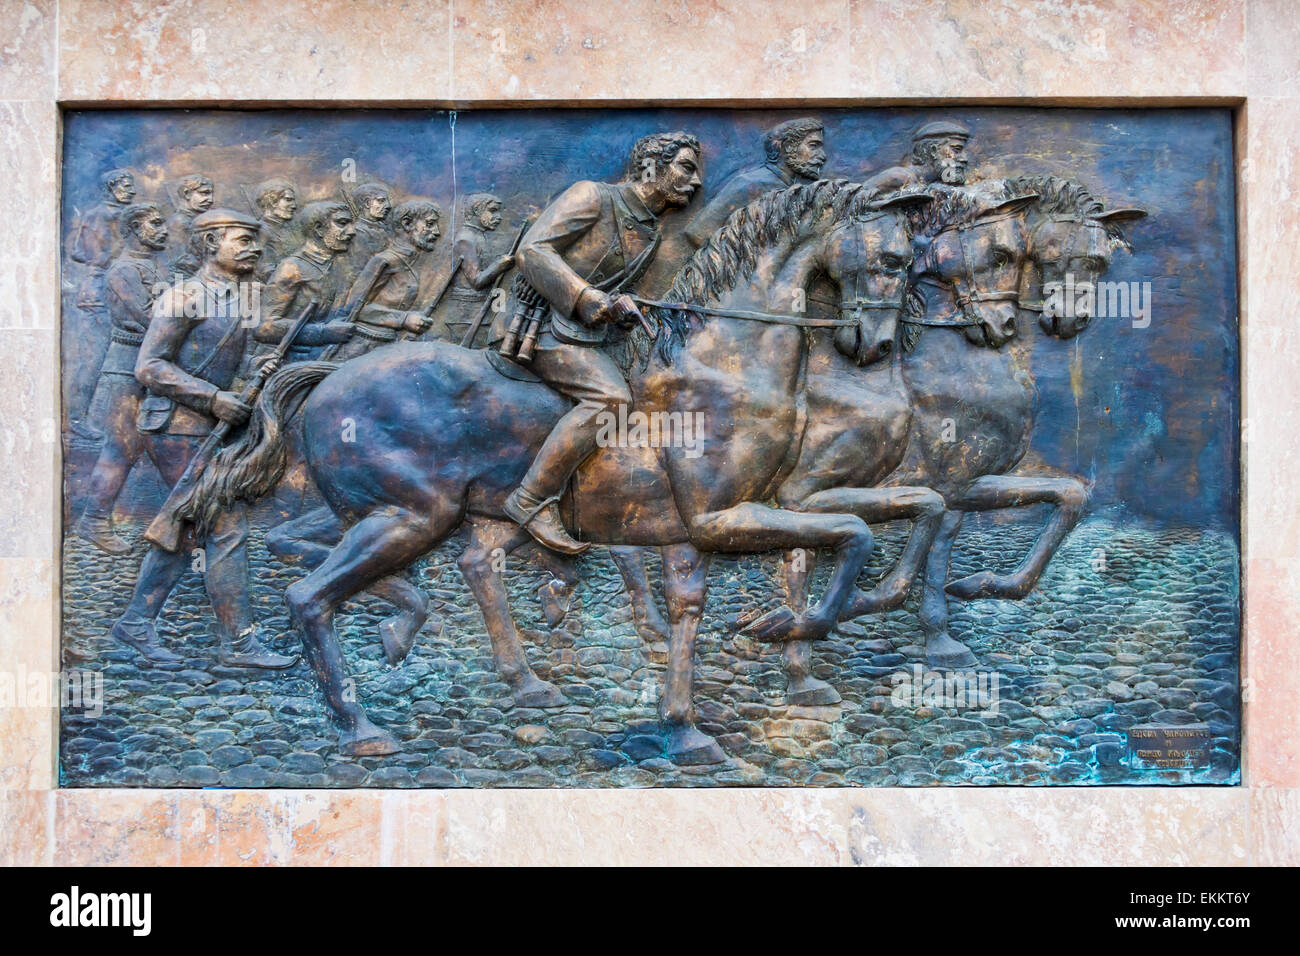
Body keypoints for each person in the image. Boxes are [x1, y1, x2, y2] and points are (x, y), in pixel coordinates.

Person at [498, 131, 703, 554]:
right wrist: (586, 297)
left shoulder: (650, 232)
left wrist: (619, 310)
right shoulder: (592, 195)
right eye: (686, 167)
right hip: (536, 327)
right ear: (652, 166)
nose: (696, 180)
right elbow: (533, 251)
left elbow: (607, 290)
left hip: (584, 334)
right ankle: (531, 499)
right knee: (611, 400)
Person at [109, 208, 297, 669]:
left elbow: (239, 356)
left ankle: (136, 622)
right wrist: (214, 398)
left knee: (187, 524)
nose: (254, 246)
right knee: (225, 525)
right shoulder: (186, 295)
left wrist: (257, 370)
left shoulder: (241, 296)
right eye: (243, 238)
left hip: (210, 426)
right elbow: (150, 366)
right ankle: (238, 645)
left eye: (255, 238)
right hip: (178, 426)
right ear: (211, 243)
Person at [75, 202, 169, 555]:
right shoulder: (124, 270)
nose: (163, 229)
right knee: (121, 448)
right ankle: (94, 522)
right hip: (128, 365)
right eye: (155, 223)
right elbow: (152, 321)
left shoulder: (153, 265)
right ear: (134, 229)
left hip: (156, 363)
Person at [682, 117, 825, 249]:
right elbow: (697, 233)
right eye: (813, 146)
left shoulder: (789, 188)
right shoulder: (750, 184)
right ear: (787, 147)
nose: (823, 156)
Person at [329, 198, 441, 360]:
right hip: (362, 348)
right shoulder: (384, 261)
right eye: (430, 224)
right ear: (407, 224)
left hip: (387, 344)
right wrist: (404, 319)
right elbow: (353, 308)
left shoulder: (409, 261)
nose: (437, 232)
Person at [444, 193, 515, 346]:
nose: (499, 217)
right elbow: (476, 281)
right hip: (467, 316)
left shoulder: (479, 236)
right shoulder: (466, 238)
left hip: (486, 308)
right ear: (477, 210)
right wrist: (499, 265)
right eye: (493, 211)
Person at [163, 173, 214, 276]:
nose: (211, 200)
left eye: (211, 194)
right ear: (187, 194)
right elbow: (181, 262)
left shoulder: (197, 220)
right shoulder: (180, 222)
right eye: (204, 193)